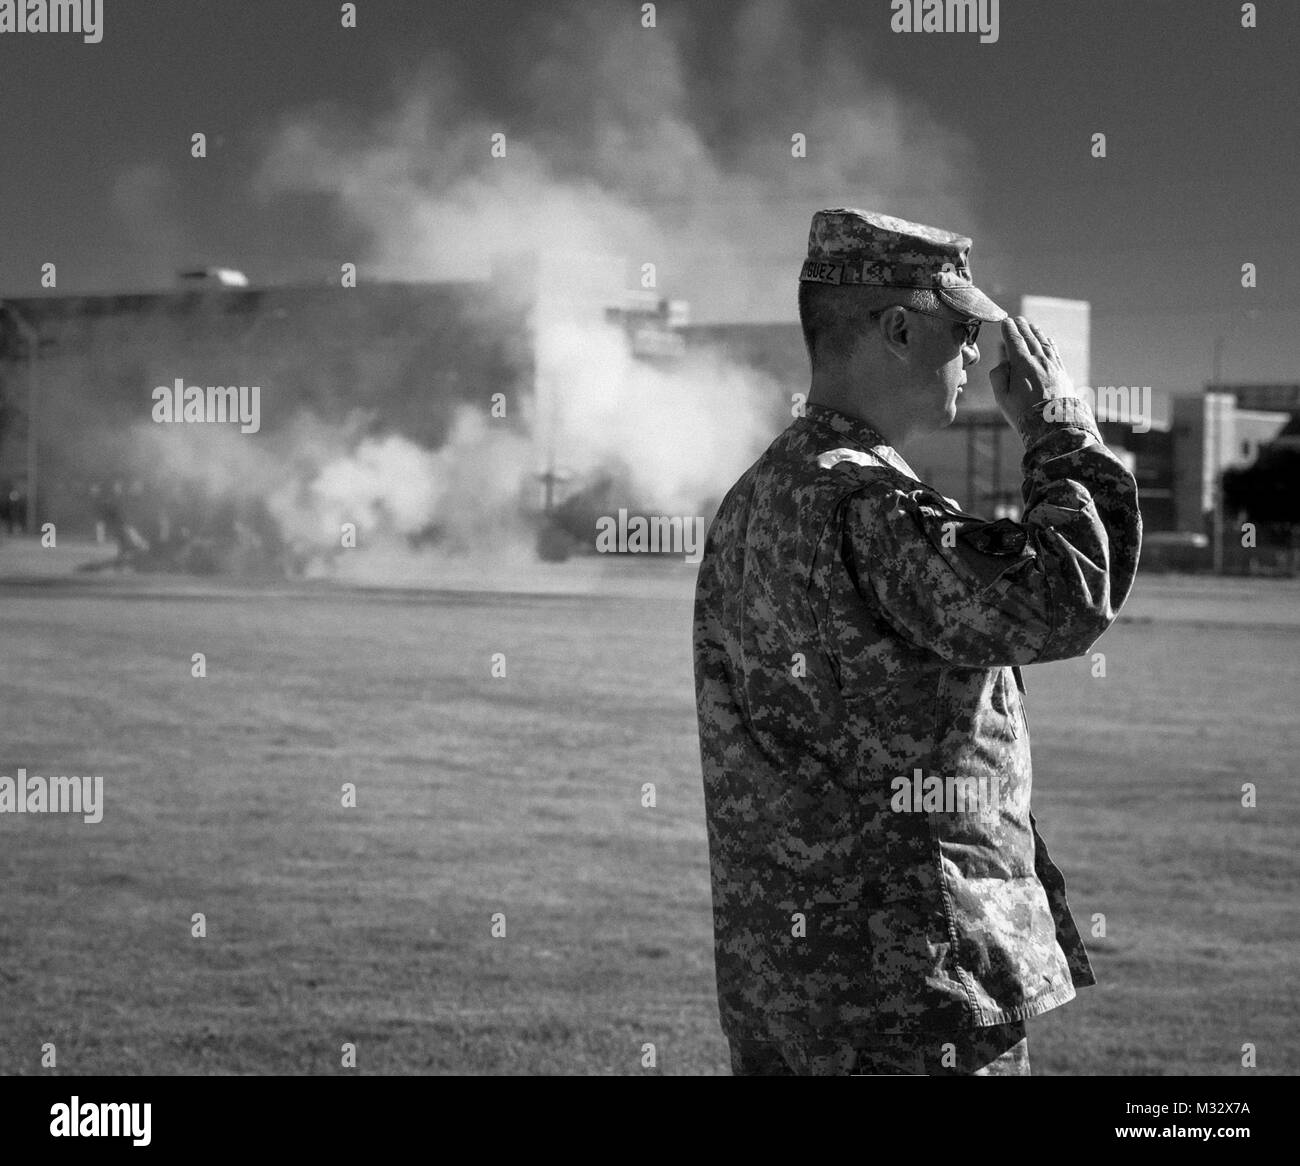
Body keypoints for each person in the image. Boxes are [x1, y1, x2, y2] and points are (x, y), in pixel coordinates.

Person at [692, 208, 1142, 1075]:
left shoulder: (755, 500)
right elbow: (1068, 592)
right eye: (963, 329)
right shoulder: (869, 507)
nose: (976, 353)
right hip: (910, 997)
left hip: (790, 988)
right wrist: (1060, 431)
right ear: (900, 329)